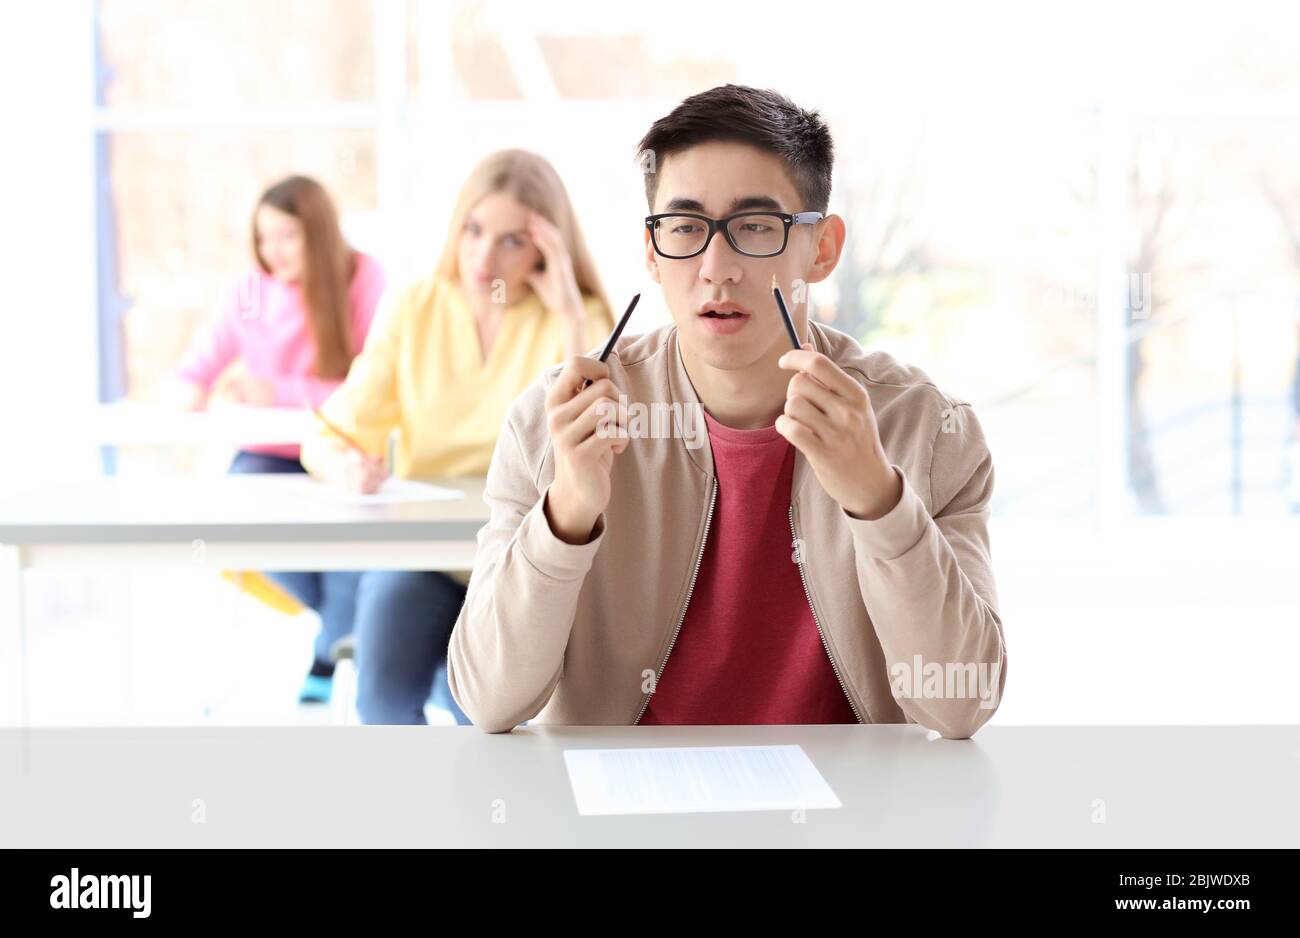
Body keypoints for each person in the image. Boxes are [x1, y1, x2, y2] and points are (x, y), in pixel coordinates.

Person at [449, 85, 1007, 738]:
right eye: (685, 228)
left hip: (853, 816)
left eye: (754, 228)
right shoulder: (555, 424)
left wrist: (878, 499)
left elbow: (961, 705)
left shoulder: (929, 431)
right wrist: (567, 513)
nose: (717, 269)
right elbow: (487, 699)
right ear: (652, 252)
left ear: (821, 249)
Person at [301, 149, 614, 725]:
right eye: (473, 230)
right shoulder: (417, 307)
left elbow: (594, 431)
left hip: (520, 559)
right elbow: (327, 432)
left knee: (490, 714)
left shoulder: (573, 318)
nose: (483, 256)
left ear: (548, 248)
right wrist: (350, 464)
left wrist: (570, 310)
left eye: (512, 241)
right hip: (424, 557)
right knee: (382, 696)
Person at [165, 175, 385, 703]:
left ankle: (328, 656)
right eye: (264, 237)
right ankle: (335, 634)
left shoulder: (363, 277)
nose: (274, 251)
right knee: (243, 514)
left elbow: (371, 383)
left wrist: (275, 390)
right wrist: (190, 392)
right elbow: (192, 371)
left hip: (340, 452)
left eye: (288, 235)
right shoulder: (249, 292)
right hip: (266, 457)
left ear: (318, 231)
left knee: (358, 536)